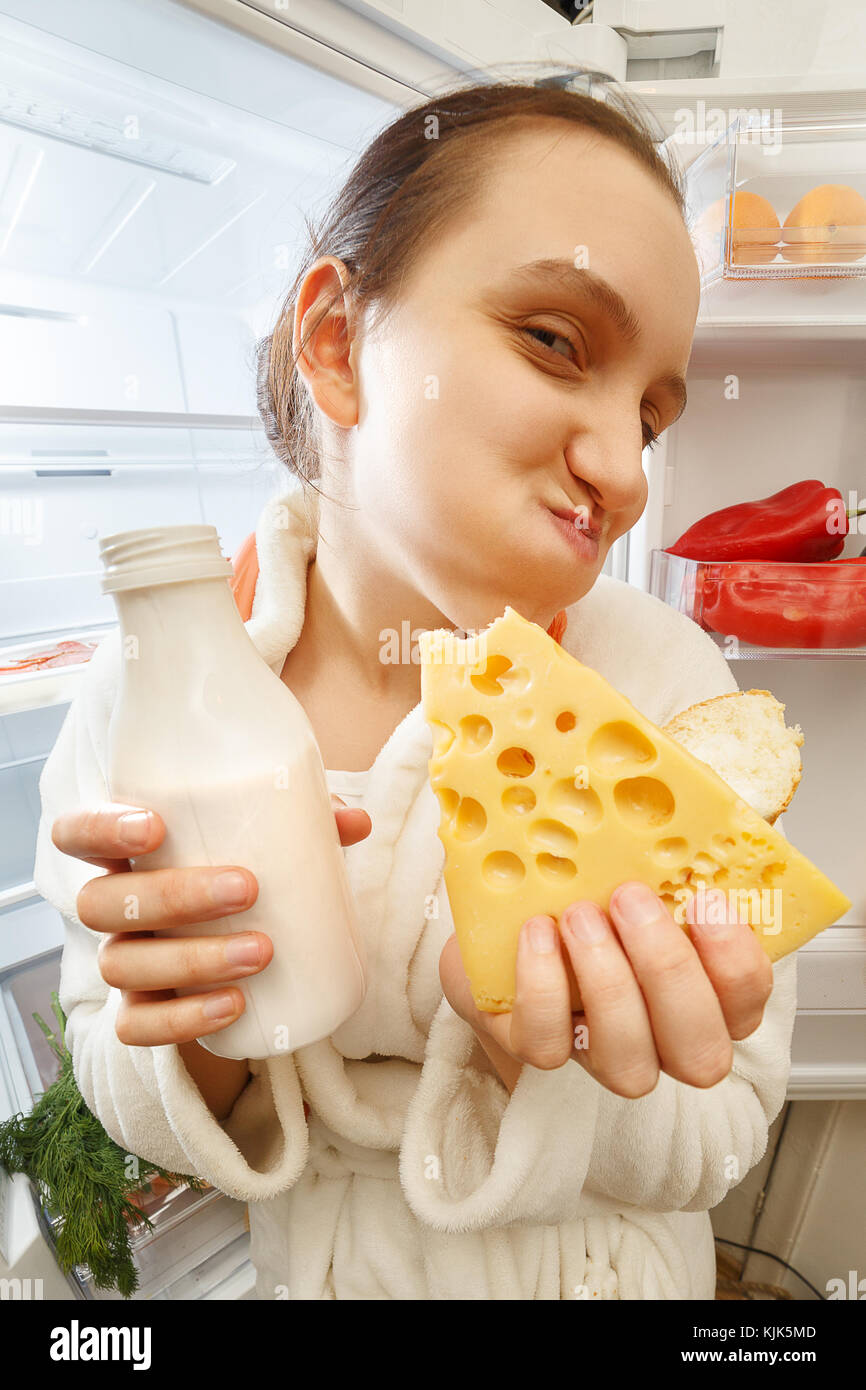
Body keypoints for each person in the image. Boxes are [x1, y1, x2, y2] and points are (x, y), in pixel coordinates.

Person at [33, 76, 795, 1300]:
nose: (624, 472)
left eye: (648, 414)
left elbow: (723, 1134)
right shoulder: (154, 700)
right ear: (336, 343)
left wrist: (531, 1055)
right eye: (555, 341)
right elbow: (124, 1084)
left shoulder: (659, 686)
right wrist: (202, 1036)